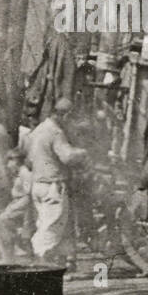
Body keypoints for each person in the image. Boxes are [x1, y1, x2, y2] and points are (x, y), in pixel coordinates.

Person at [24, 98, 87, 268]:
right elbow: (67, 156)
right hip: (53, 185)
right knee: (51, 226)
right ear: (64, 115)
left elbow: (28, 159)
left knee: (50, 222)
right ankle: (41, 262)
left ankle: (64, 261)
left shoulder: (37, 131)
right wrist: (82, 153)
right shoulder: (56, 133)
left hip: (37, 184)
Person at [0, 150, 34, 258]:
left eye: (10, 162)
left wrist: (15, 207)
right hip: (18, 202)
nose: (8, 165)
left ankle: (15, 247)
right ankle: (14, 246)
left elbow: (28, 194)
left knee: (2, 220)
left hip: (23, 203)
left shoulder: (25, 172)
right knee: (3, 220)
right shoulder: (19, 173)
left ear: (16, 161)